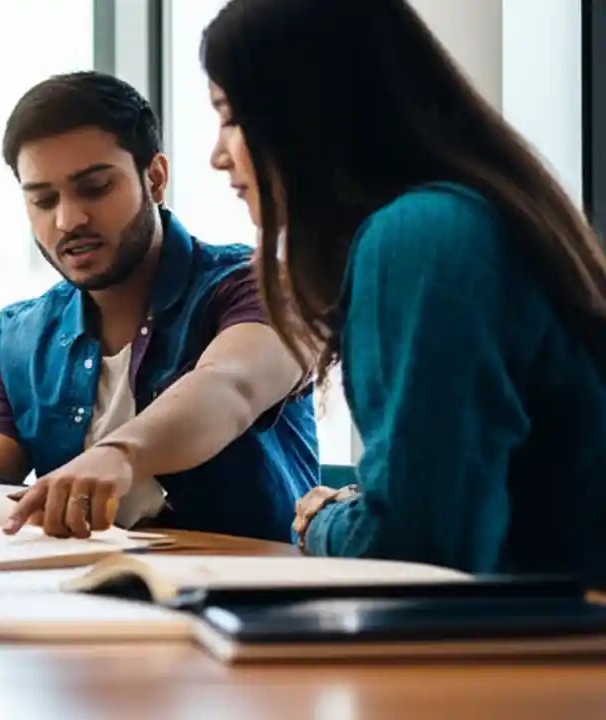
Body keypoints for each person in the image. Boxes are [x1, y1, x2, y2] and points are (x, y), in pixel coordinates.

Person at [203, 0, 606, 581]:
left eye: (232, 115)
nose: (218, 155)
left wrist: (320, 523)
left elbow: (413, 544)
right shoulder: (463, 216)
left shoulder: (421, 235)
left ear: (309, 111)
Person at [0, 71, 319, 542]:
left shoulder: (261, 286)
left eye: (96, 189)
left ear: (156, 178)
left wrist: (120, 454)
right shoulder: (20, 334)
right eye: (43, 199)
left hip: (248, 601)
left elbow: (230, 387)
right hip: (80, 600)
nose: (68, 220)